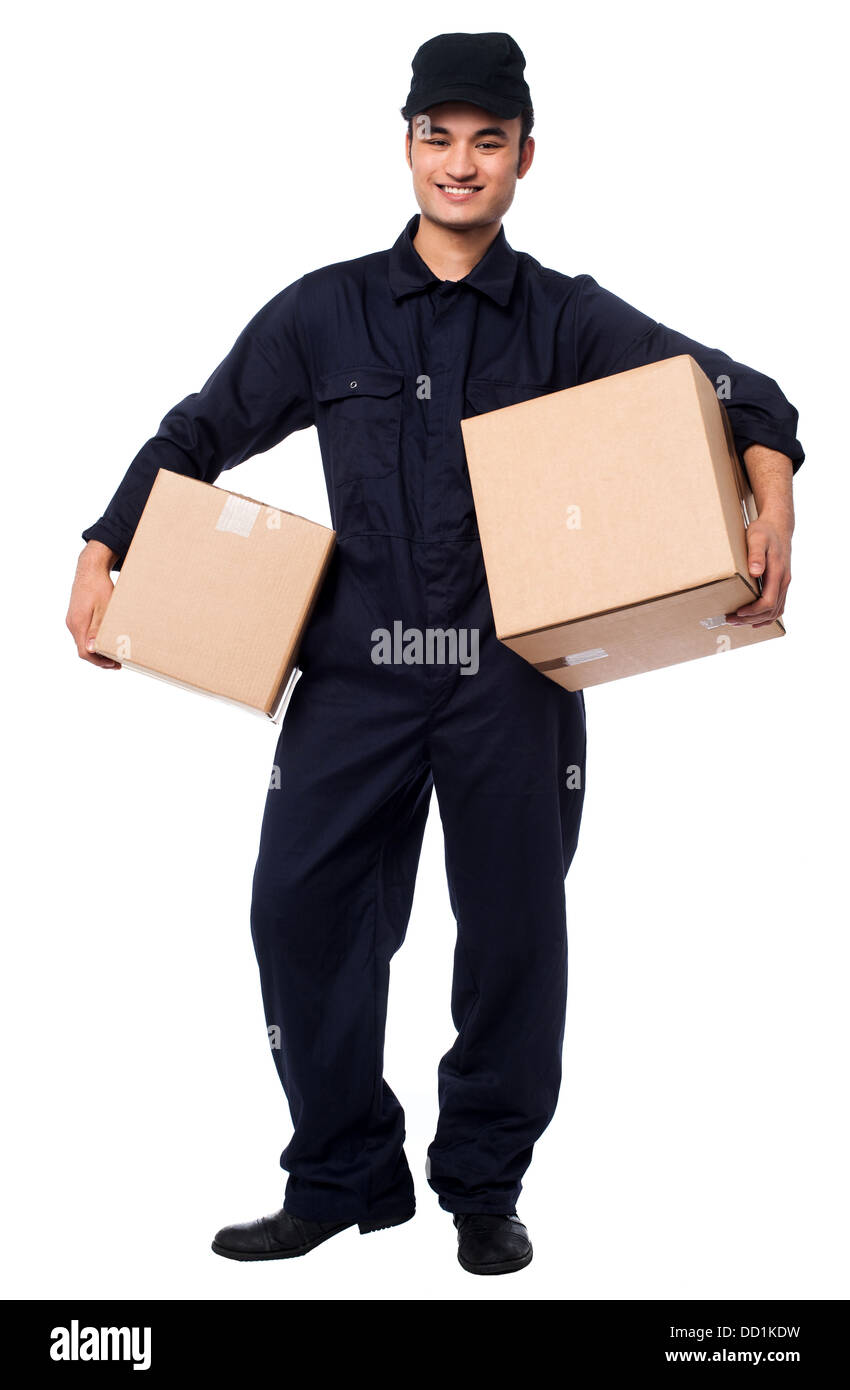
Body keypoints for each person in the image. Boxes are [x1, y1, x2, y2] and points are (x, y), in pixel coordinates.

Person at [66, 32, 803, 1277]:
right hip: (354, 669)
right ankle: (344, 1172)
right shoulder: (325, 308)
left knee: (511, 932)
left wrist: (769, 484)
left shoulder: (565, 314)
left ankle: (482, 1185)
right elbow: (199, 431)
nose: (460, 164)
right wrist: (106, 541)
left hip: (508, 675)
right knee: (298, 912)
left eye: (487, 140)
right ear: (405, 143)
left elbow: (736, 389)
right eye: (437, 136)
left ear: (525, 155)